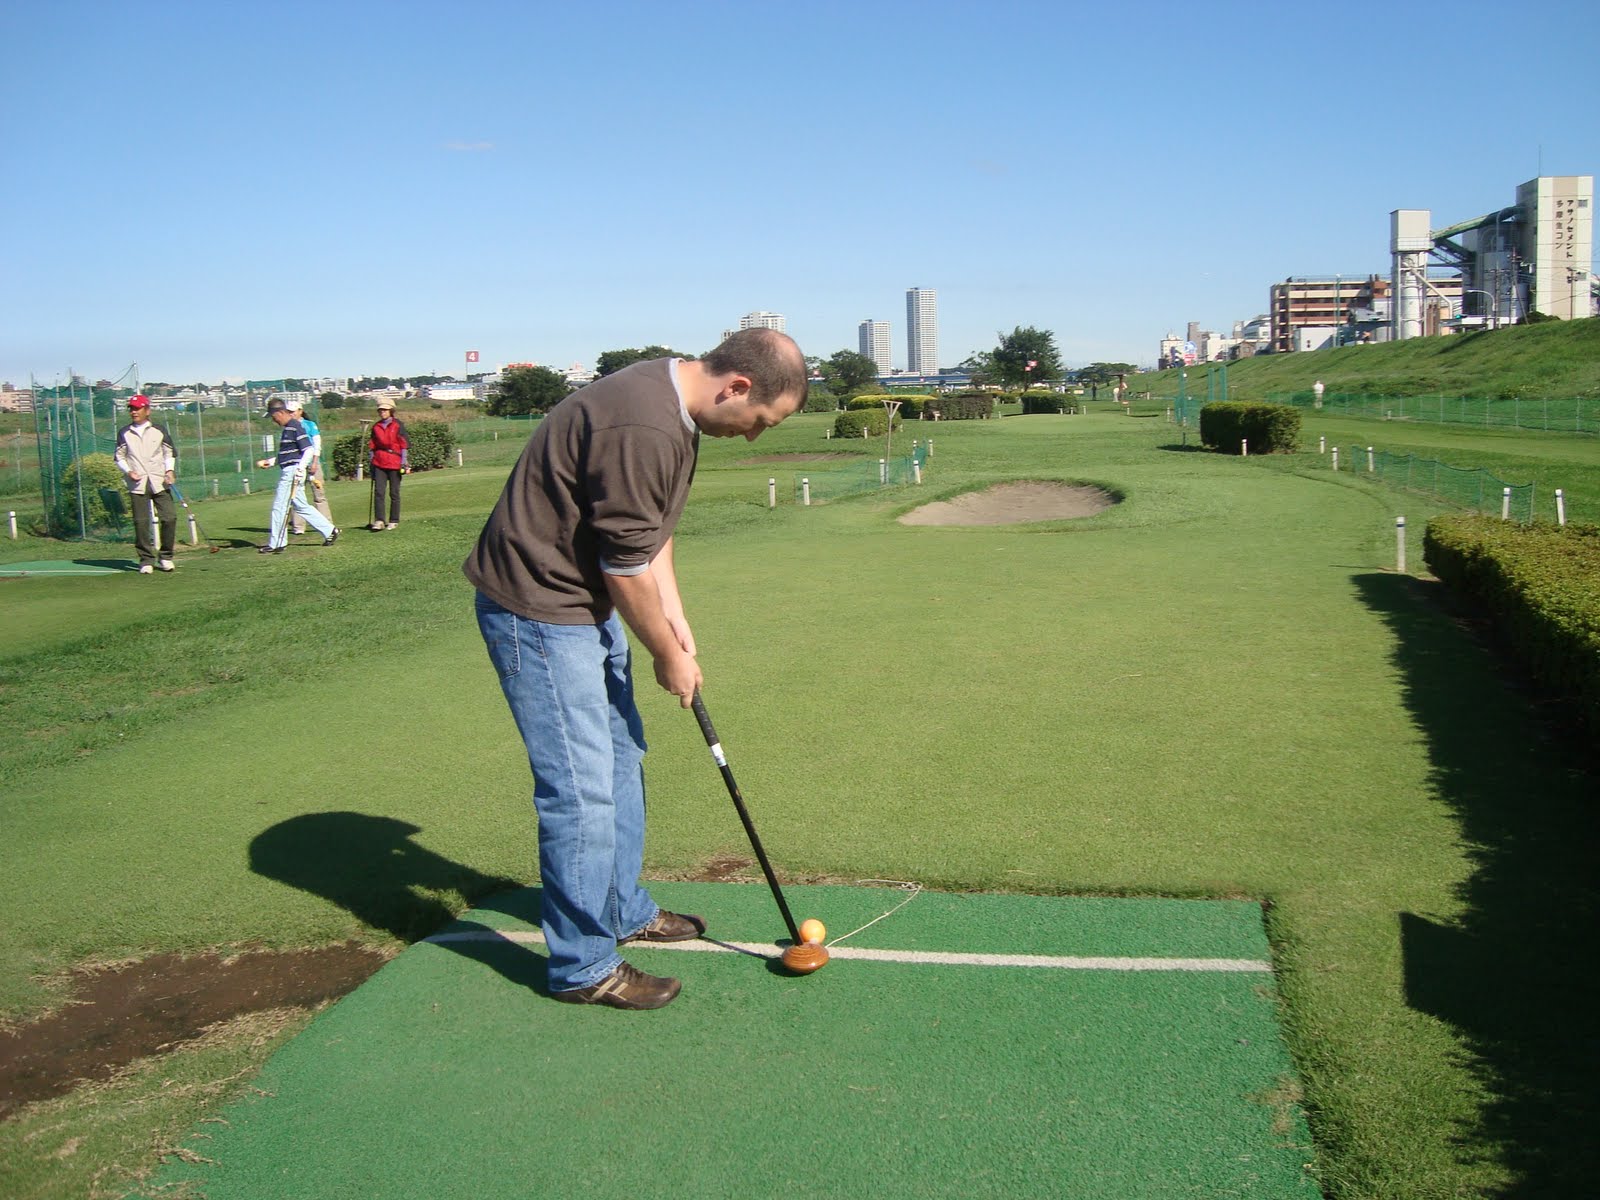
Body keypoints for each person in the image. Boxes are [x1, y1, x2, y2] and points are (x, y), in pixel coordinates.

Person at [464, 328, 809, 1010]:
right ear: (735, 386)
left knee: (622, 758)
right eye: (760, 421)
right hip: (537, 609)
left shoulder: (677, 407)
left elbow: (651, 535)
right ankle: (583, 966)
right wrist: (665, 654)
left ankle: (621, 908)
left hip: (581, 602)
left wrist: (676, 622)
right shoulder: (643, 423)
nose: (754, 436)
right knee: (580, 789)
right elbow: (624, 567)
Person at [258, 397, 339, 553]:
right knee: (301, 506)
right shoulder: (288, 428)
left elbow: (308, 450)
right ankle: (330, 531)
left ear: (281, 412)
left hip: (292, 472)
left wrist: (300, 469)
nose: (274, 421)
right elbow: (288, 455)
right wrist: (270, 462)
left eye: (274, 417)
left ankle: (277, 544)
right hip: (291, 469)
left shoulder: (295, 427)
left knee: (279, 507)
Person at [113, 393, 178, 574]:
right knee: (141, 522)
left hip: (159, 480)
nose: (134, 412)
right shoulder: (124, 433)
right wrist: (128, 471)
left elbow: (169, 453)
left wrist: (169, 470)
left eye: (137, 408)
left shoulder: (159, 430)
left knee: (169, 518)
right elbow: (119, 457)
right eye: (131, 409)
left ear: (147, 410)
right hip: (137, 483)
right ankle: (146, 560)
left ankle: (166, 556)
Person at [283, 396, 335, 535]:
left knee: (319, 494)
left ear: (300, 411)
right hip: (296, 464)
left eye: (293, 411)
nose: (291, 414)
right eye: (289, 411)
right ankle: (298, 526)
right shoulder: (288, 427)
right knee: (296, 495)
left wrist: (315, 462)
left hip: (311, 463)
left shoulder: (310, 425)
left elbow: (316, 444)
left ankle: (327, 524)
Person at [368, 401, 408, 530]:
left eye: (385, 410)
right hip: (379, 461)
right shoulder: (376, 426)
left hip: (395, 462)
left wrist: (404, 462)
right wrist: (371, 461)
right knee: (379, 492)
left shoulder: (398, 425)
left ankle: (393, 520)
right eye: (380, 410)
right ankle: (379, 520)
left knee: (394, 492)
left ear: (391, 411)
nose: (382, 412)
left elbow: (404, 445)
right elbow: (372, 446)